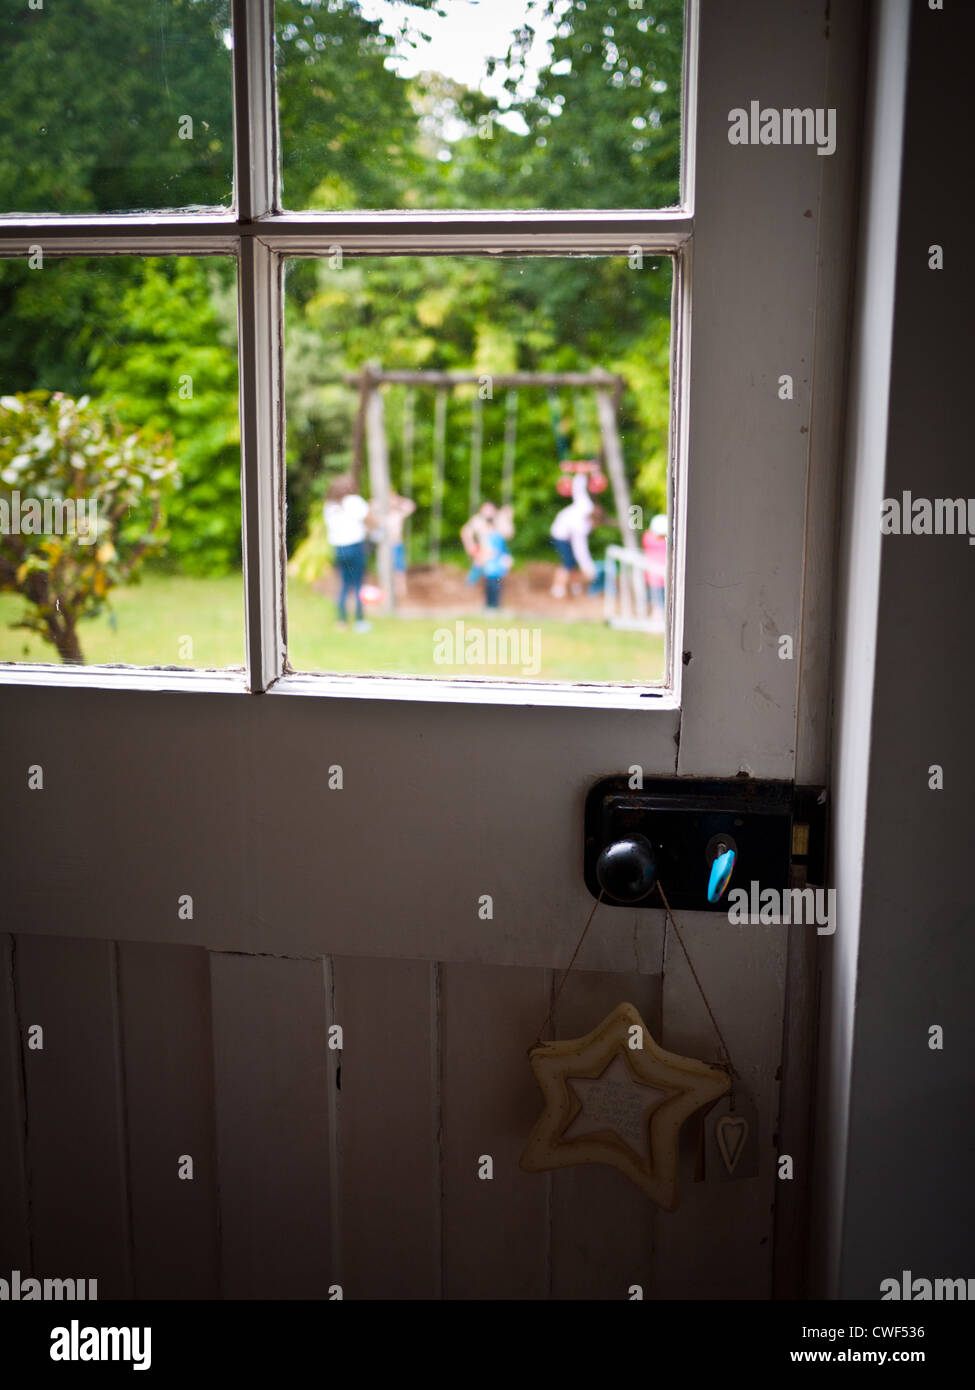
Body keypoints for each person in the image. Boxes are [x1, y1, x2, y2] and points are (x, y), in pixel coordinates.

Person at [323, 474, 372, 632]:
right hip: (355, 546)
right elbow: (369, 518)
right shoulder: (354, 501)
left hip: (339, 549)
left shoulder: (330, 506)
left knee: (344, 585)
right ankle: (359, 621)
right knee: (358, 584)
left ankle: (342, 621)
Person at [550, 466, 599, 597]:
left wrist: (581, 475)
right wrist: (589, 568)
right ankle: (559, 588)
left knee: (570, 562)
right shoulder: (582, 524)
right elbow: (581, 549)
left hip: (565, 533)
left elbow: (579, 490)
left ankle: (573, 585)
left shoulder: (586, 506)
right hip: (560, 534)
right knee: (568, 562)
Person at [382, 491, 416, 599]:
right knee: (387, 567)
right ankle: (387, 590)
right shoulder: (383, 514)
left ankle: (401, 590)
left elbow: (411, 506)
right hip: (386, 546)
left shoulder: (398, 513)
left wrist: (398, 500)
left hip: (397, 544)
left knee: (399, 568)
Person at [642, 512, 668, 625]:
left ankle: (656, 621)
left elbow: (647, 534)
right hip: (661, 579)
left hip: (653, 579)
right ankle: (658, 623)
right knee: (660, 604)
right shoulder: (666, 544)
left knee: (657, 604)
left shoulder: (648, 540)